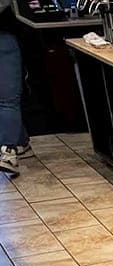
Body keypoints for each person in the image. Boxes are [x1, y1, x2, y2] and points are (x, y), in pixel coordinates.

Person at [0, 0, 32, 175]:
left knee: (6, 98)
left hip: (5, 33)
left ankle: (8, 153)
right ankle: (21, 142)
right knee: (6, 98)